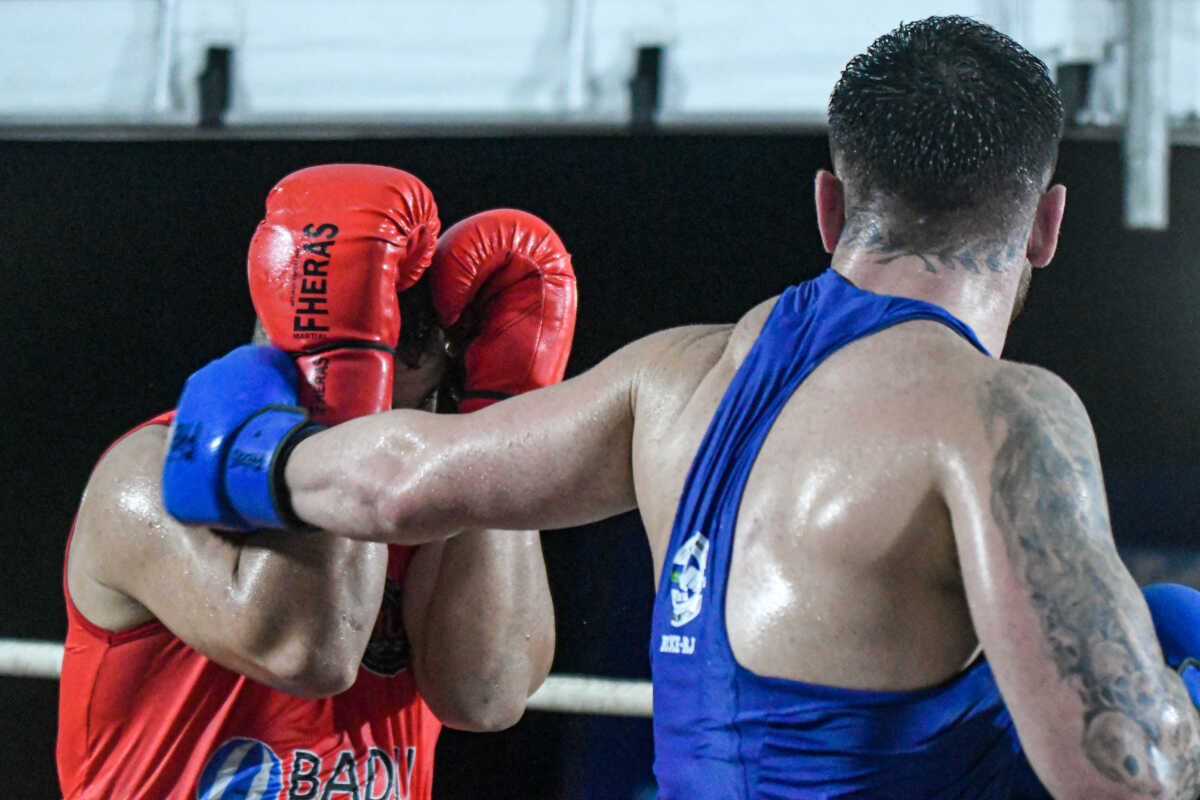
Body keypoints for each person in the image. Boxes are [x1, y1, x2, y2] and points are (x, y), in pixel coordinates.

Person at [160, 18, 1200, 800]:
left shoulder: (671, 377)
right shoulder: (1005, 414)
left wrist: (250, 449)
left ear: (829, 205)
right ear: (1048, 224)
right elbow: (1126, 770)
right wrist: (1180, 696)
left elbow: (392, 482)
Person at [58, 164, 572, 799]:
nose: (391, 445)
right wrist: (342, 402)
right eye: (373, 411)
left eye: (415, 409)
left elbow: (487, 696)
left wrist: (494, 421)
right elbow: (308, 651)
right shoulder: (146, 480)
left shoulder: (437, 495)